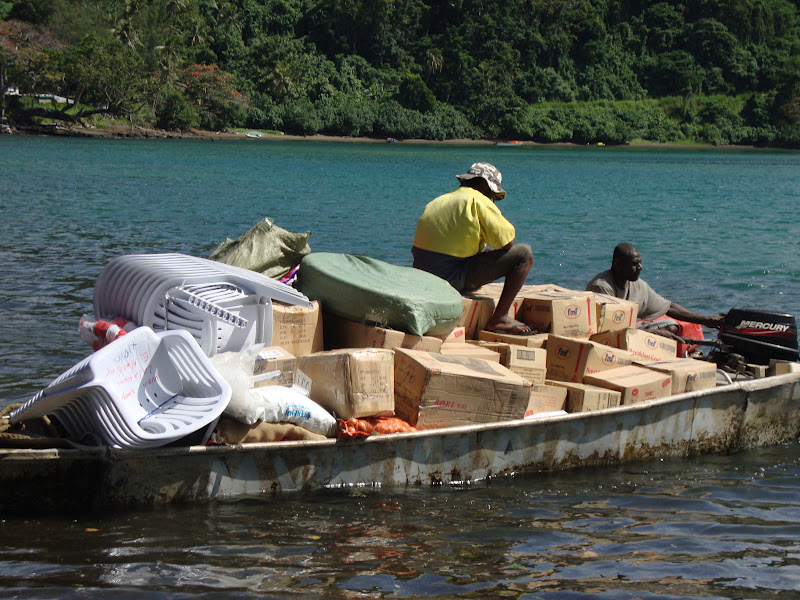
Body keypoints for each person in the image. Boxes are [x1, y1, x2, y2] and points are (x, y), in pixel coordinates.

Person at [412, 162, 534, 334]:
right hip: (450, 278)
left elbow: (446, 247)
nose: (493, 201)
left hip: (423, 277)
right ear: (484, 185)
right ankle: (499, 318)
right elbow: (508, 242)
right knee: (524, 255)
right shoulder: (478, 200)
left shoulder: (438, 201)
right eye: (493, 195)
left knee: (483, 253)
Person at [586, 242, 724, 338]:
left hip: (628, 332)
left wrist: (706, 320)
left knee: (671, 326)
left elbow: (669, 307)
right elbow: (606, 329)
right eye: (634, 264)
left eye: (639, 263)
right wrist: (654, 334)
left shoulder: (638, 285)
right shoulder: (602, 287)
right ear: (618, 264)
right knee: (660, 333)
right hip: (607, 335)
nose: (640, 267)